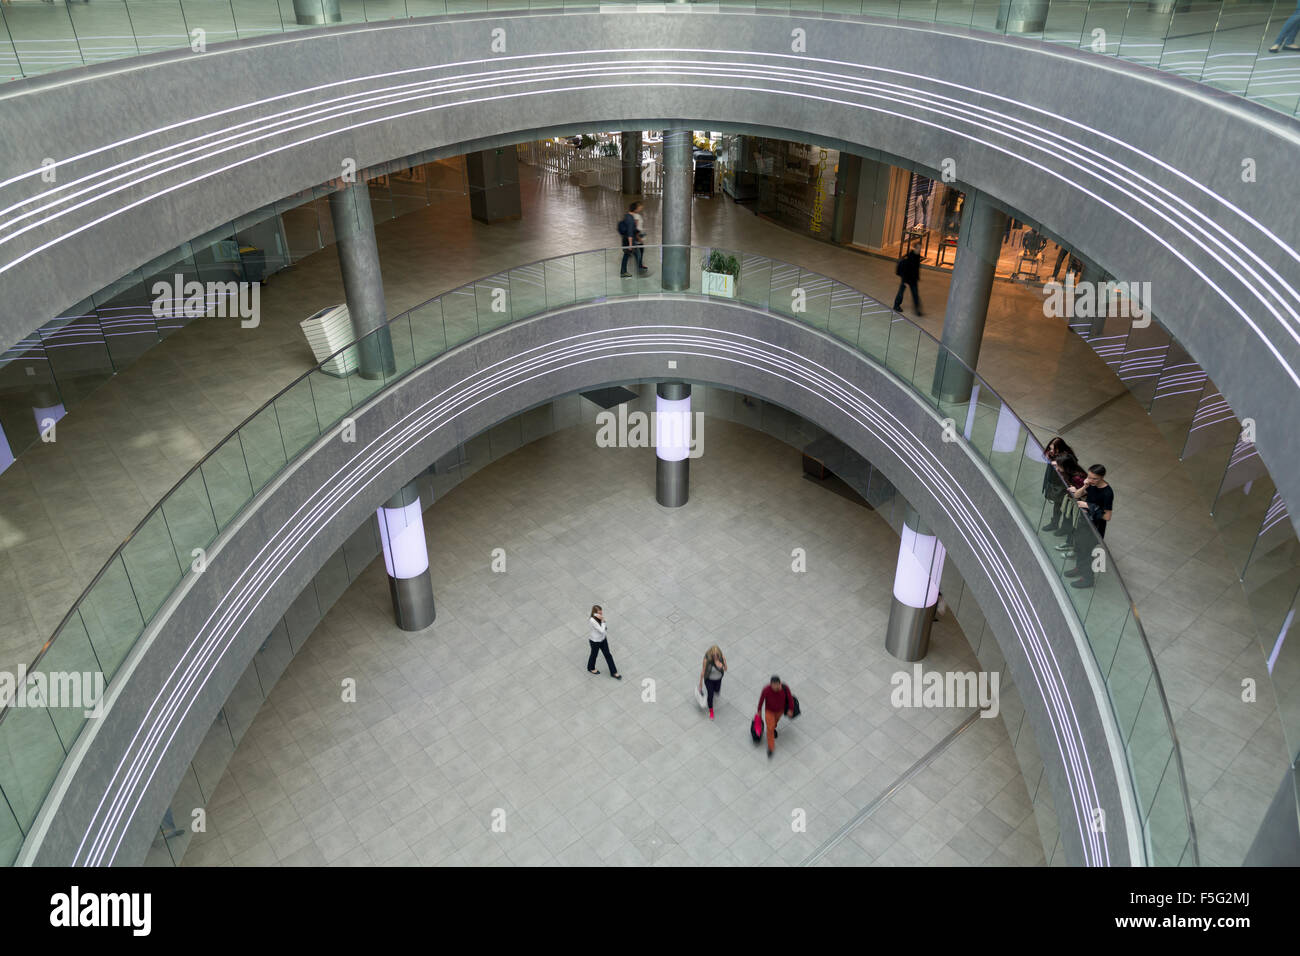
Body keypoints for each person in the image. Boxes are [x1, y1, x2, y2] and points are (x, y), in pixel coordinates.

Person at [1064, 465, 1113, 589]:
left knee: (1086, 553)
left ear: (1102, 477)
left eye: (1094, 478)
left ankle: (1087, 578)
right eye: (1089, 477)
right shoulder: (1090, 485)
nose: (1090, 480)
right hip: (1084, 523)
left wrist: (1087, 505)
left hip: (1094, 528)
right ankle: (1079, 568)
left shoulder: (1107, 493)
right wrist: (1085, 486)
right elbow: (1076, 496)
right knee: (1079, 547)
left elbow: (1107, 516)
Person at [1039, 436, 1075, 532]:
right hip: (1056, 485)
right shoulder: (1055, 455)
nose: (1050, 450)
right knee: (1057, 506)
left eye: (1052, 449)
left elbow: (1070, 474)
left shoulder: (1067, 458)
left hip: (1064, 487)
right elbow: (1044, 456)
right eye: (1050, 448)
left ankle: (1065, 528)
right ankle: (1054, 523)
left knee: (1066, 509)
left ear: (1059, 449)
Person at [756, 675, 794, 759]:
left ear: (779, 684)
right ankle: (771, 747)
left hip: (780, 711)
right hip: (769, 711)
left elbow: (790, 699)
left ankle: (773, 728)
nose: (774, 687)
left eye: (776, 685)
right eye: (773, 685)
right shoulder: (766, 690)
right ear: (771, 684)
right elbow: (761, 700)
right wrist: (759, 710)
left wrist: (791, 709)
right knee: (770, 728)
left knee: (774, 724)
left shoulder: (785, 688)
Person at [586, 604, 622, 679]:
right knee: (594, 655)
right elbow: (602, 630)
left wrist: (602, 620)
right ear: (595, 613)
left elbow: (604, 630)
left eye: (601, 613)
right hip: (595, 641)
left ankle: (613, 672)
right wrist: (603, 621)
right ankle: (591, 668)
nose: (601, 615)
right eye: (599, 613)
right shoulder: (592, 620)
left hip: (603, 639)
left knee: (608, 655)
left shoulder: (598, 618)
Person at [618, 201, 650, 278]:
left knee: (635, 253)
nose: (640, 209)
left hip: (628, 240)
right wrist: (630, 244)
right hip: (629, 241)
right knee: (628, 254)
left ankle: (638, 268)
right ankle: (624, 272)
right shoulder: (631, 219)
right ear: (635, 209)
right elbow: (630, 232)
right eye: (639, 208)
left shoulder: (627, 216)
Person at [698, 645, 728, 720]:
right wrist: (700, 683)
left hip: (718, 679)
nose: (715, 657)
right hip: (709, 680)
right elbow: (703, 671)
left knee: (717, 691)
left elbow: (725, 669)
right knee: (710, 694)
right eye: (713, 655)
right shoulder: (707, 660)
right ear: (711, 654)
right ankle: (711, 710)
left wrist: (724, 663)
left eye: (717, 655)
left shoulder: (721, 658)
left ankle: (716, 691)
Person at [892, 247, 922, 315]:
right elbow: (906, 269)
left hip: (913, 279)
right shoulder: (910, 257)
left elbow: (916, 269)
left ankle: (917, 309)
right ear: (915, 248)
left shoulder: (917, 257)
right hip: (906, 278)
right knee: (901, 292)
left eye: (920, 249)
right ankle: (896, 305)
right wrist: (905, 281)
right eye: (918, 248)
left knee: (915, 294)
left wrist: (917, 277)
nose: (919, 250)